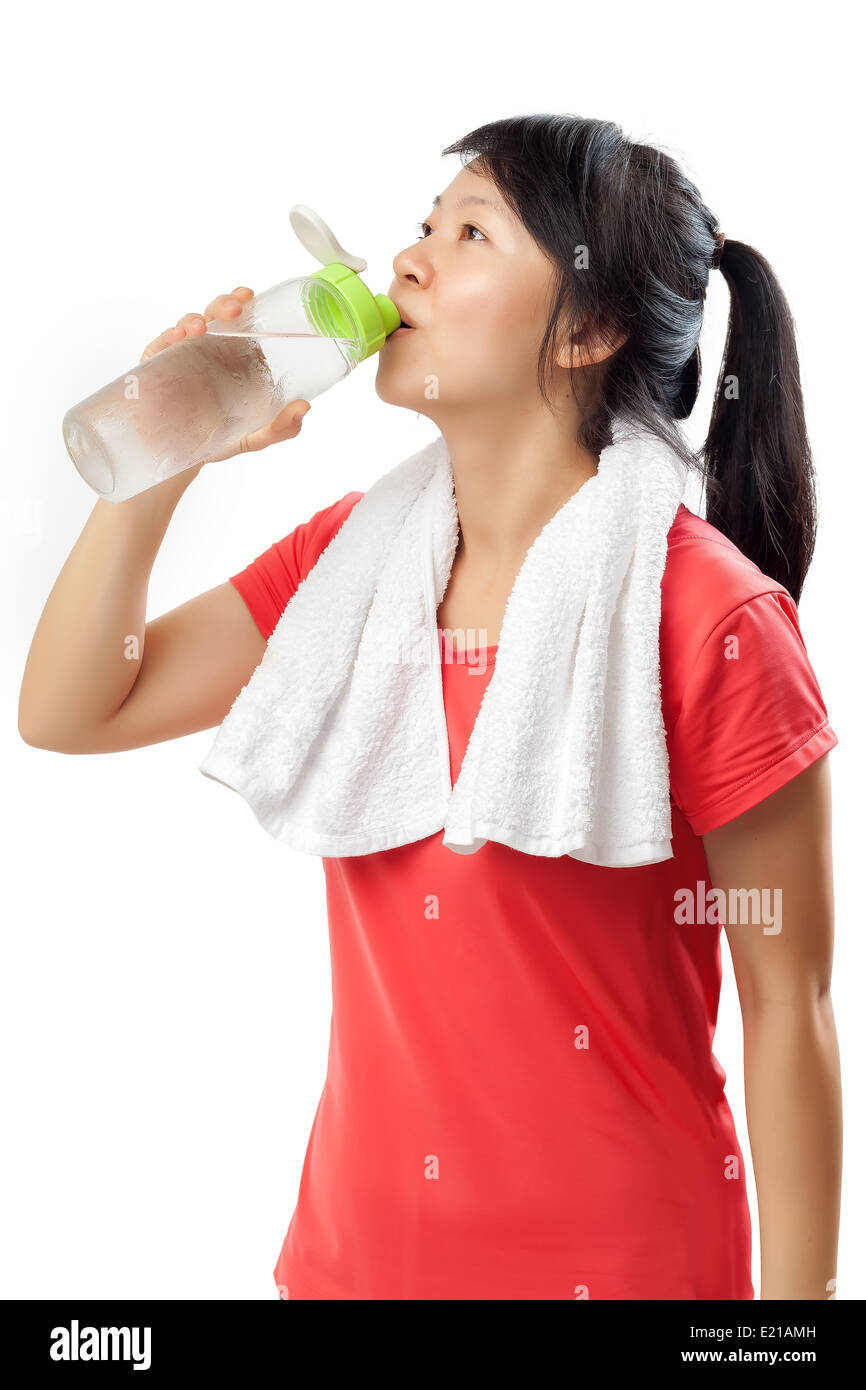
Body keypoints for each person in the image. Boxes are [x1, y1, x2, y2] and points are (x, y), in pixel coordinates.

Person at [19, 114, 841, 1301]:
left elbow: (789, 1002)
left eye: (470, 233)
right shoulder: (350, 568)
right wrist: (165, 450)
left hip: (628, 1274)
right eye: (421, 227)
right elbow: (71, 709)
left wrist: (790, 1328)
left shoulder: (708, 617)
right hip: (356, 1267)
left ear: (592, 328)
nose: (406, 264)